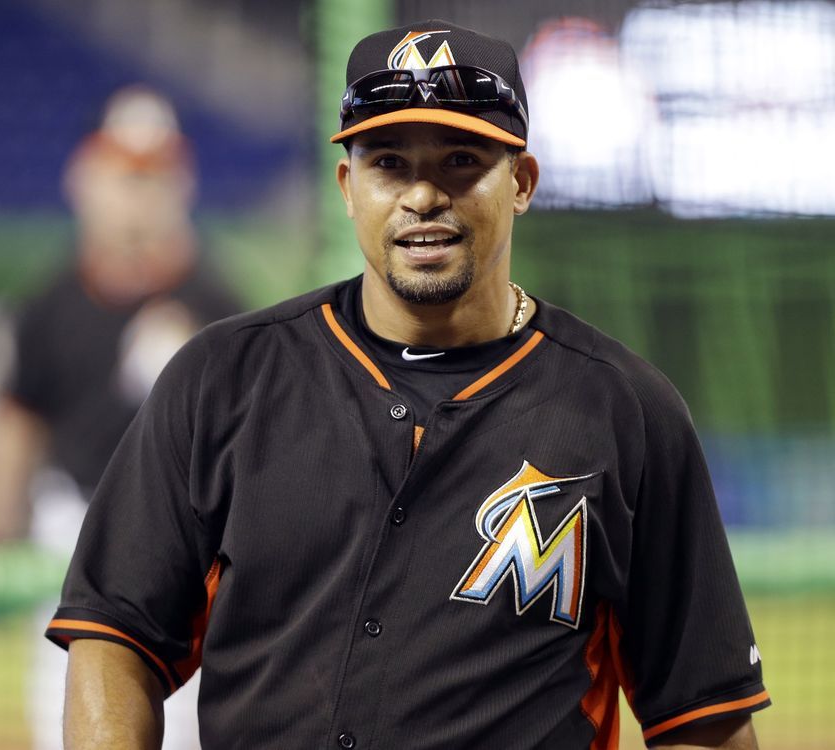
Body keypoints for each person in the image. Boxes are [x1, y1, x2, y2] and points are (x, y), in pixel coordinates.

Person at [45, 21, 769, 750]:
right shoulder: (222, 381)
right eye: (389, 162)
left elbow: (701, 716)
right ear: (348, 188)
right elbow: (117, 636)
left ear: (520, 182)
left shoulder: (626, 413)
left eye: (461, 160)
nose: (423, 195)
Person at [0, 85, 242, 750]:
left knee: (181, 730)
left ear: (183, 181)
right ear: (84, 178)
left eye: (154, 174)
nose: (139, 191)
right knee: (65, 721)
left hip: (187, 541)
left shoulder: (219, 304)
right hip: (71, 532)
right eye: (124, 172)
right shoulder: (53, 301)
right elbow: (14, 418)